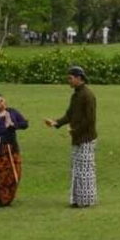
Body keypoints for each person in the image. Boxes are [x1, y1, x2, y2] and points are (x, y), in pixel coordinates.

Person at [44, 66, 98, 208]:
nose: (69, 80)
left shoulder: (88, 95)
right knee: (77, 169)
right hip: (78, 137)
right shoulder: (76, 95)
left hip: (86, 138)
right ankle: (78, 199)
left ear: (79, 78)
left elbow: (90, 120)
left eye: (70, 78)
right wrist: (56, 123)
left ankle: (86, 200)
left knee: (85, 171)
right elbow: (70, 115)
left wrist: (75, 130)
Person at [0, 93, 29, 207]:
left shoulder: (12, 112)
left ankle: (8, 198)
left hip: (12, 148)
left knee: (13, 174)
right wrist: (5, 127)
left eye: (2, 101)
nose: (2, 104)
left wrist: (14, 125)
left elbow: (24, 123)